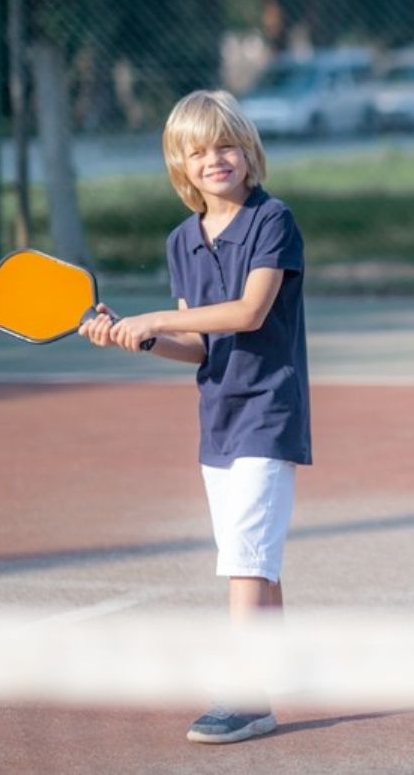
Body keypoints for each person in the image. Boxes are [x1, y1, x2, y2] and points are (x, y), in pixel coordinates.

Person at [80, 89, 311, 745]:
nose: (216, 159)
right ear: (181, 165)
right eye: (199, 150)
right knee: (250, 552)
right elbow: (201, 346)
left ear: (249, 151)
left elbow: (248, 313)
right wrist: (142, 338)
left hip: (271, 408)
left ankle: (248, 694)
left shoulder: (274, 221)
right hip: (218, 416)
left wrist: (156, 316)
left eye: (227, 144)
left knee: (245, 553)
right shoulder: (182, 241)